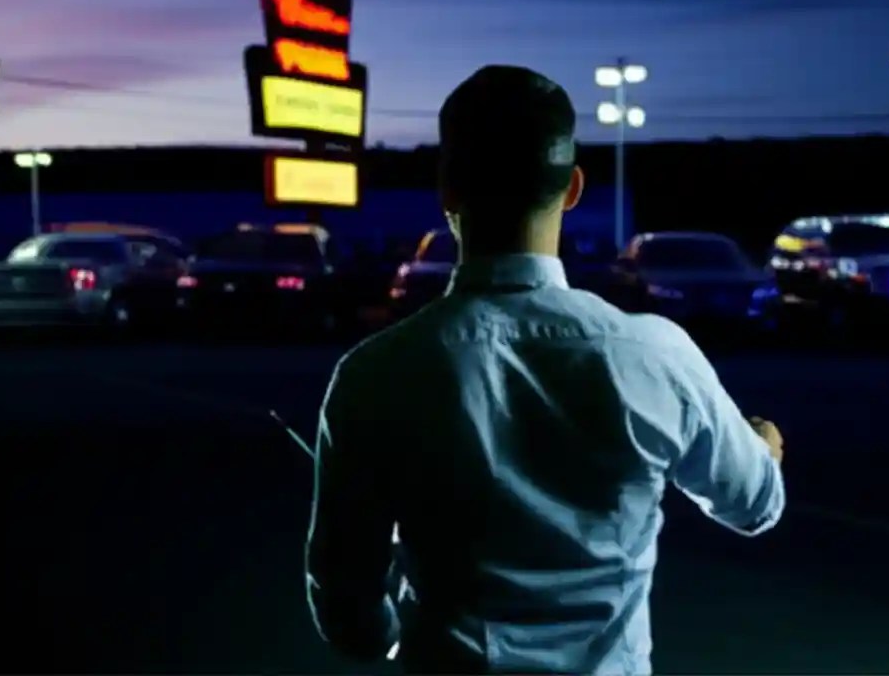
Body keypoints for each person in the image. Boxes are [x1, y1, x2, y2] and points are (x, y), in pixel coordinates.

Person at [305, 65, 786, 675]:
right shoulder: (654, 354)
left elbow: (349, 614)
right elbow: (754, 505)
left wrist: (398, 618)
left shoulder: (373, 376)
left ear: (448, 190)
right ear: (574, 187)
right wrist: (762, 446)